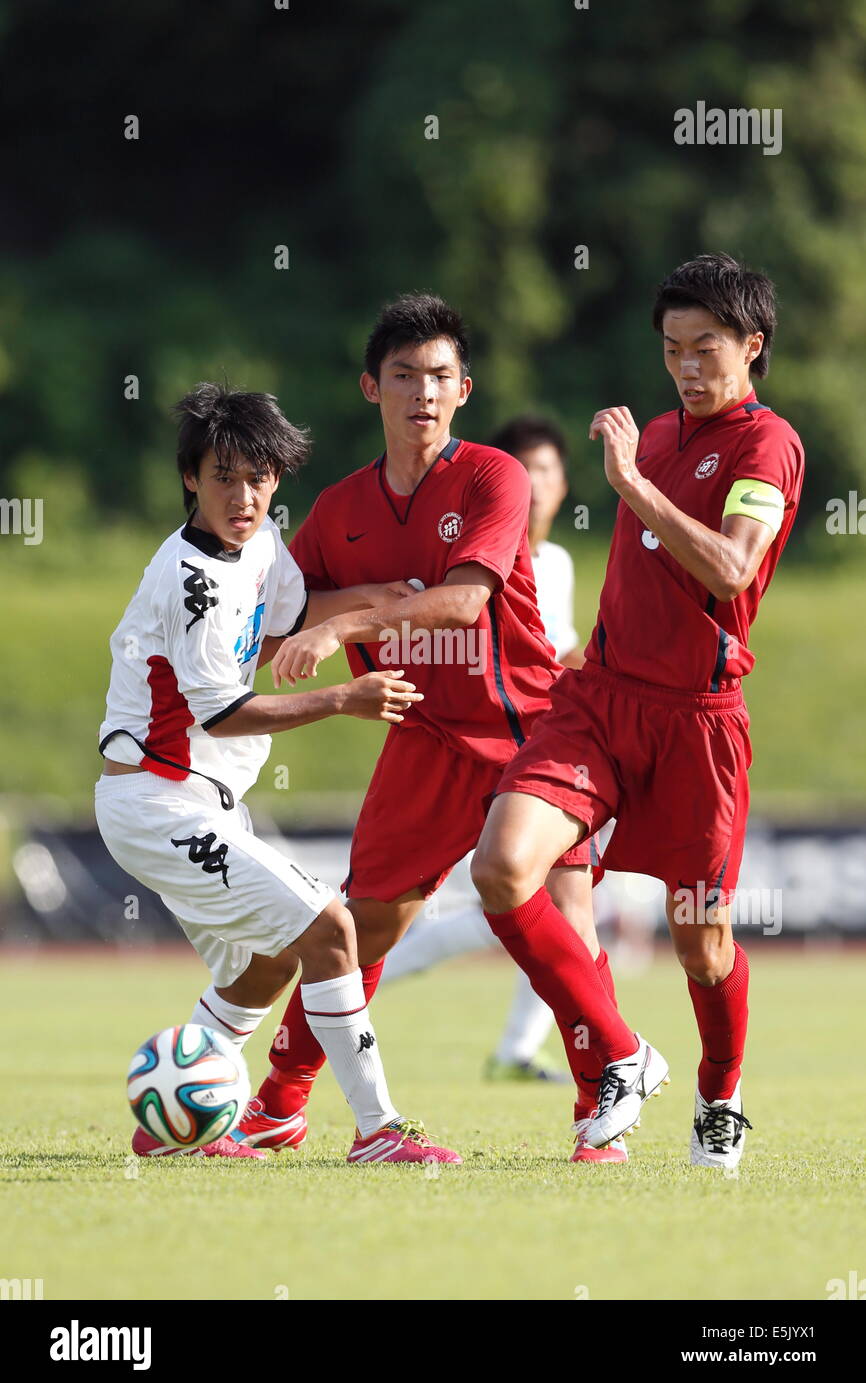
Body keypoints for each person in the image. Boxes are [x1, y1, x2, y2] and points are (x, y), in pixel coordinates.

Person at [234, 294, 629, 1162]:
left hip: (528, 730)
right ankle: (277, 1104)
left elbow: (462, 600)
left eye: (441, 377)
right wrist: (363, 606)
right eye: (405, 376)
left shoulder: (494, 476)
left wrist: (343, 625)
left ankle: (602, 1109)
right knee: (364, 925)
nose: (424, 392)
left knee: (565, 917)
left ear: (465, 390)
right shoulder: (338, 509)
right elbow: (271, 620)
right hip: (422, 734)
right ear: (371, 387)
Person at [471, 254, 804, 1167]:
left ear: (752, 347)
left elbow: (731, 569)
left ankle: (720, 1090)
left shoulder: (763, 446)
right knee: (501, 867)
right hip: (603, 706)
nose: (688, 367)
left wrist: (630, 484)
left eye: (706, 348)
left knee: (703, 948)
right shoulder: (655, 433)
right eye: (671, 349)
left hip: (700, 725)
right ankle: (619, 1053)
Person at [95, 382, 461, 1165]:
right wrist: (344, 698)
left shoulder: (261, 545)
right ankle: (379, 1132)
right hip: (158, 802)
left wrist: (377, 601)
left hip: (197, 801)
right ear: (190, 477)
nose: (244, 494)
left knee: (267, 966)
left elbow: (294, 620)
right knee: (332, 928)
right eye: (224, 476)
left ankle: (173, 1129)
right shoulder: (190, 581)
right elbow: (222, 712)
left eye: (259, 478)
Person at [381, 416, 584, 1085]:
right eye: (526, 471)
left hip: (548, 749)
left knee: (556, 907)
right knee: (495, 903)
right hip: (476, 745)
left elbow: (553, 652)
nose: (538, 485)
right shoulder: (468, 562)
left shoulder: (556, 563)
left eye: (550, 472)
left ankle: (525, 1052)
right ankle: (342, 983)